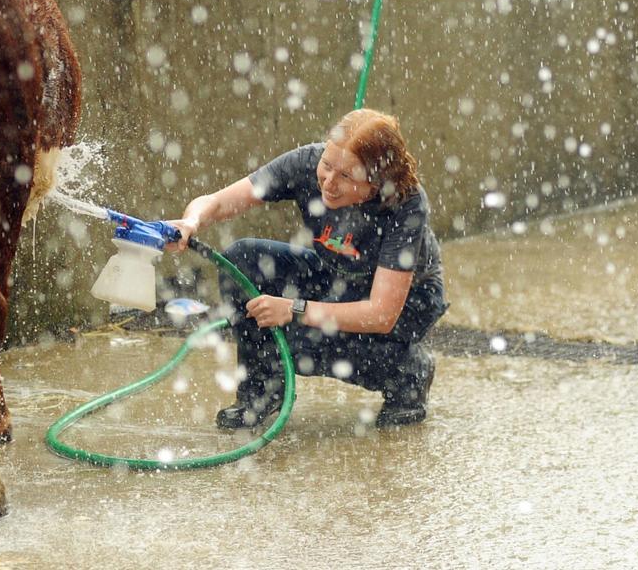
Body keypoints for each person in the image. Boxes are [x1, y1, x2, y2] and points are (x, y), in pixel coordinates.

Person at [168, 109, 448, 429]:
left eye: (347, 176)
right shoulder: (306, 163)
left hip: (407, 302)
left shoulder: (404, 203)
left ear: (376, 182)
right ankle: (263, 389)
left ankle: (407, 373)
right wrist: (190, 222)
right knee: (242, 260)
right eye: (327, 166)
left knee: (300, 340)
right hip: (337, 274)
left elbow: (381, 314)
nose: (328, 183)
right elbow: (218, 202)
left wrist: (295, 309)